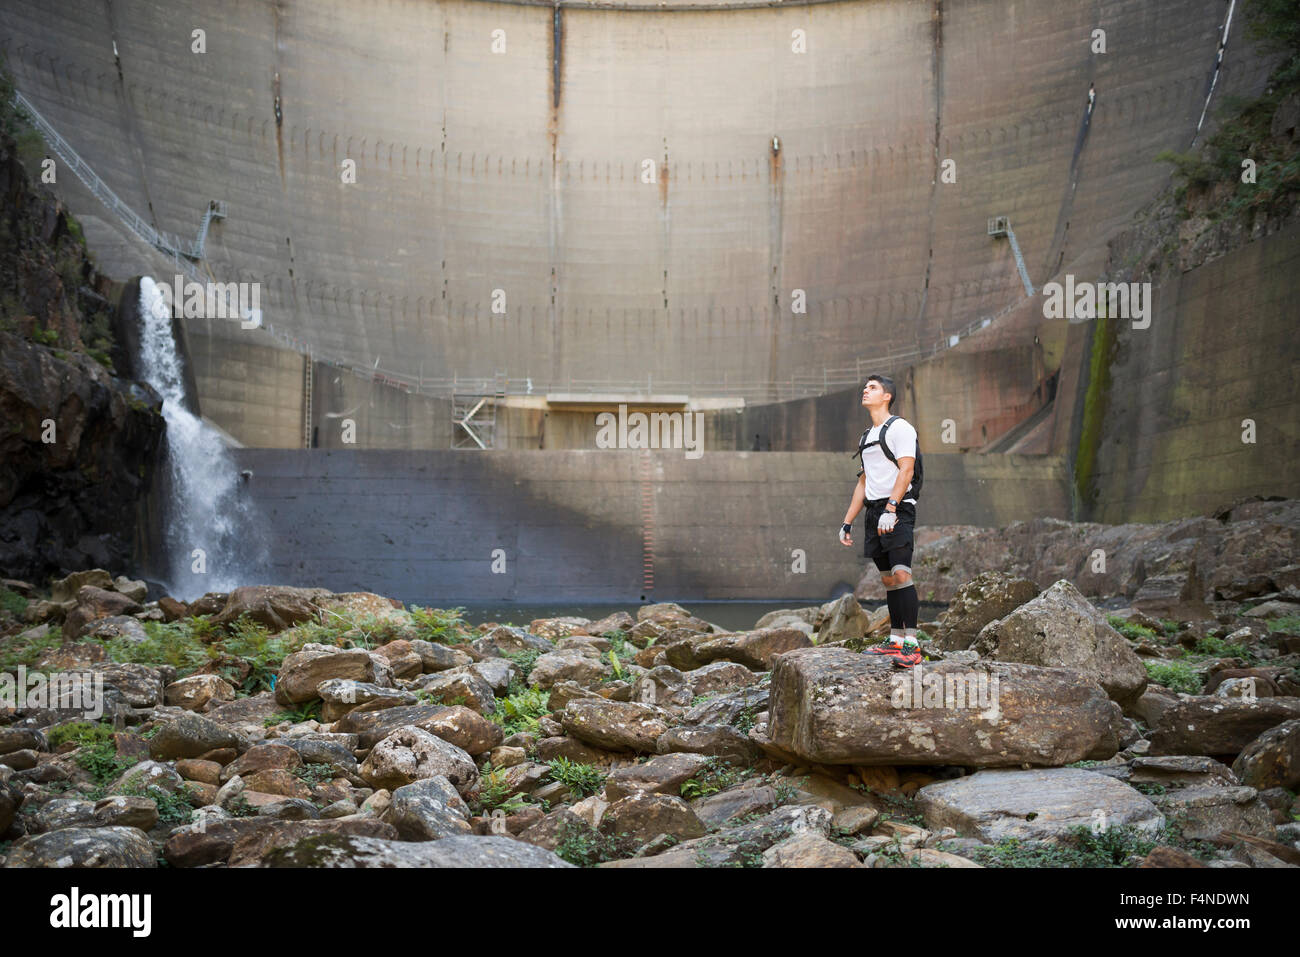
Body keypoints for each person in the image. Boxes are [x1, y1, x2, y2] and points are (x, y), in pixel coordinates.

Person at [838, 374, 921, 667]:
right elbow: (864, 482)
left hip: (896, 510)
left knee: (901, 574)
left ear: (887, 396)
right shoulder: (867, 436)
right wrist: (848, 522)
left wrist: (892, 507)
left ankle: (911, 645)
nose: (865, 390)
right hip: (874, 513)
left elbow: (906, 471)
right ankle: (895, 640)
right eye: (864, 387)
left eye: (872, 387)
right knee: (888, 580)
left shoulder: (900, 428)